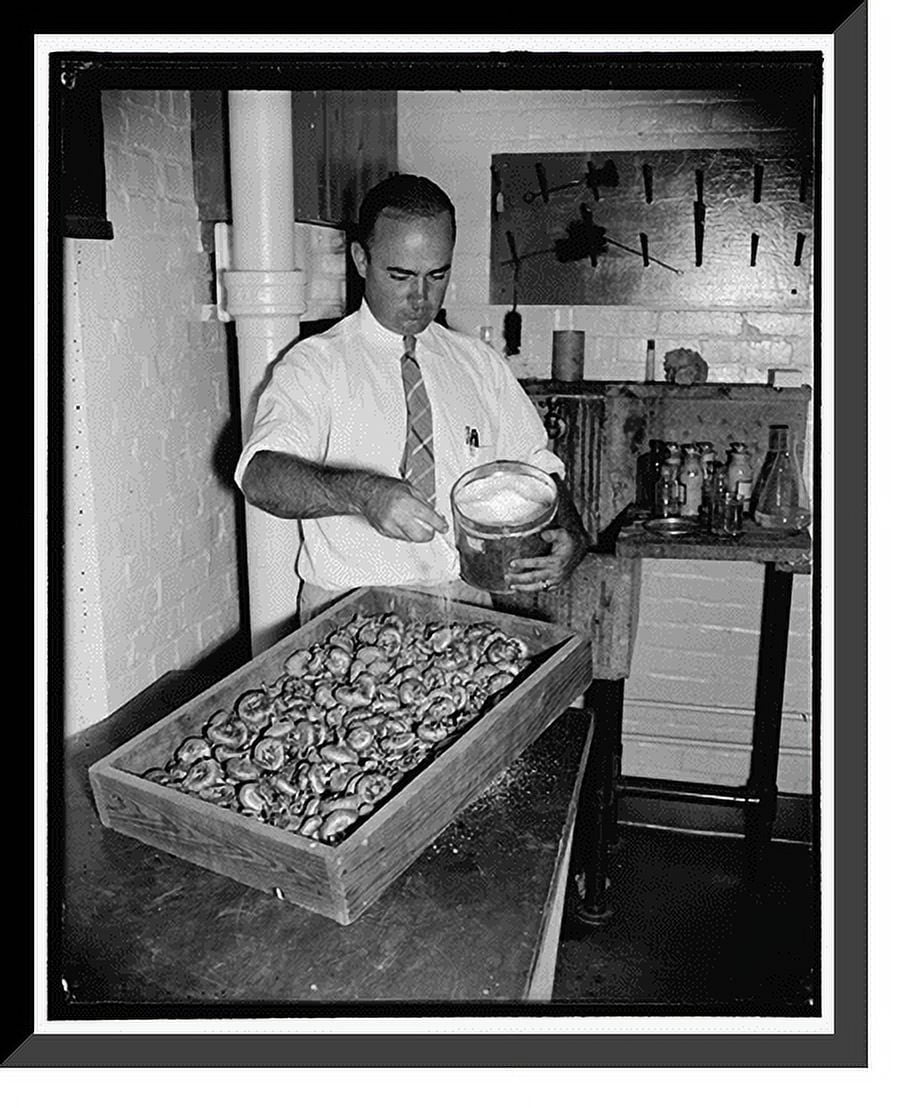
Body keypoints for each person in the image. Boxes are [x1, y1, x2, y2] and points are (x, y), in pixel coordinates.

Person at [235, 174, 588, 621]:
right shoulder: (315, 364)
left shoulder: (478, 364)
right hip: (350, 613)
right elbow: (260, 475)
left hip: (465, 602)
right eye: (400, 275)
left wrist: (573, 532)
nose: (420, 297)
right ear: (361, 259)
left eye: (437, 275)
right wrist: (364, 494)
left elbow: (535, 465)